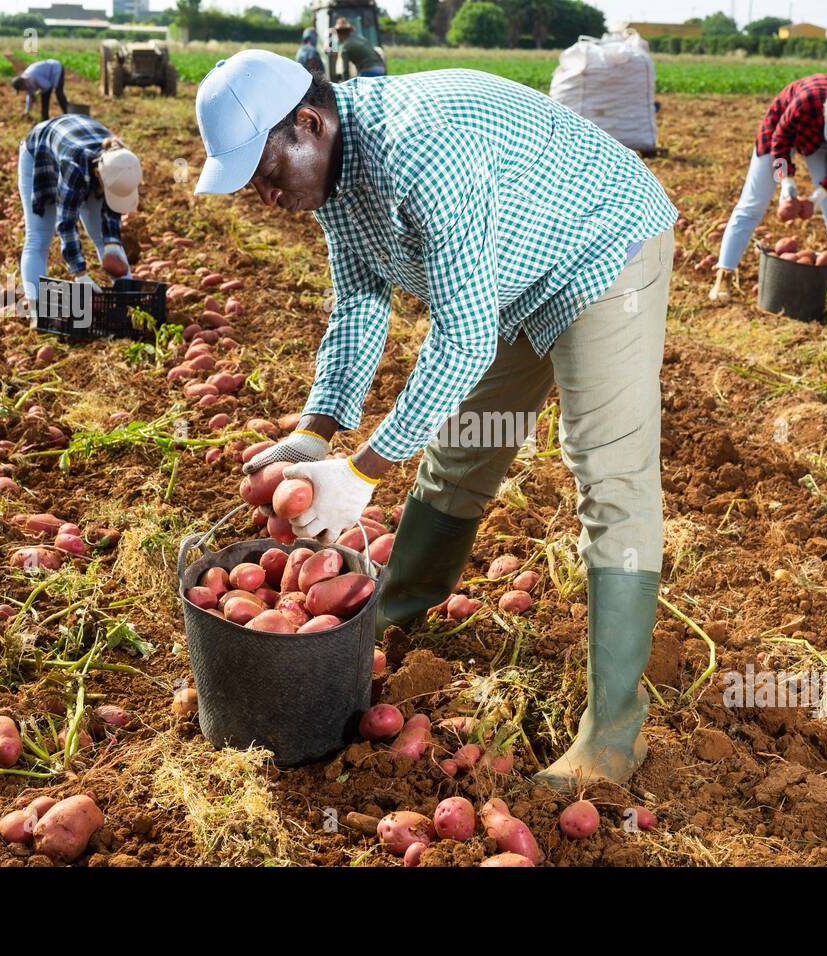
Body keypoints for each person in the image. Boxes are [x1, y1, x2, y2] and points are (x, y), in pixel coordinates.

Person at [194, 52, 677, 792]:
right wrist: (315, 432)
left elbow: (462, 337)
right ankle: (391, 609)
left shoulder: (422, 148)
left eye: (264, 173)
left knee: (610, 478)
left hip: (601, 248)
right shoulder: (335, 177)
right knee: (460, 452)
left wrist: (362, 473)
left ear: (308, 124)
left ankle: (614, 734)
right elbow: (357, 306)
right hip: (514, 269)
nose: (263, 194)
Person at [709, 74, 827, 307]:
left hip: (825, 144)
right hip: (781, 132)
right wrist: (787, 186)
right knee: (752, 203)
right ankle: (723, 274)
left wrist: (816, 199)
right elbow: (781, 143)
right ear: (824, 114)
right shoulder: (805, 103)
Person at [18, 113, 139, 311]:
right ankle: (36, 310)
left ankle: (127, 305)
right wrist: (79, 274)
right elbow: (66, 223)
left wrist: (112, 245)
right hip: (39, 153)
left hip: (82, 146)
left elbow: (114, 203)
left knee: (102, 237)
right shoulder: (74, 166)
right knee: (38, 237)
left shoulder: (123, 161)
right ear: (98, 175)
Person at [12, 58, 69, 123]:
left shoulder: (33, 76)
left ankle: (68, 114)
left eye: (21, 89)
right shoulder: (25, 81)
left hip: (56, 69)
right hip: (47, 75)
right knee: (44, 96)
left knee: (58, 93)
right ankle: (44, 120)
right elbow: (29, 95)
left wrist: (39, 92)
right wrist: (27, 110)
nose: (23, 90)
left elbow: (48, 86)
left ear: (22, 85)